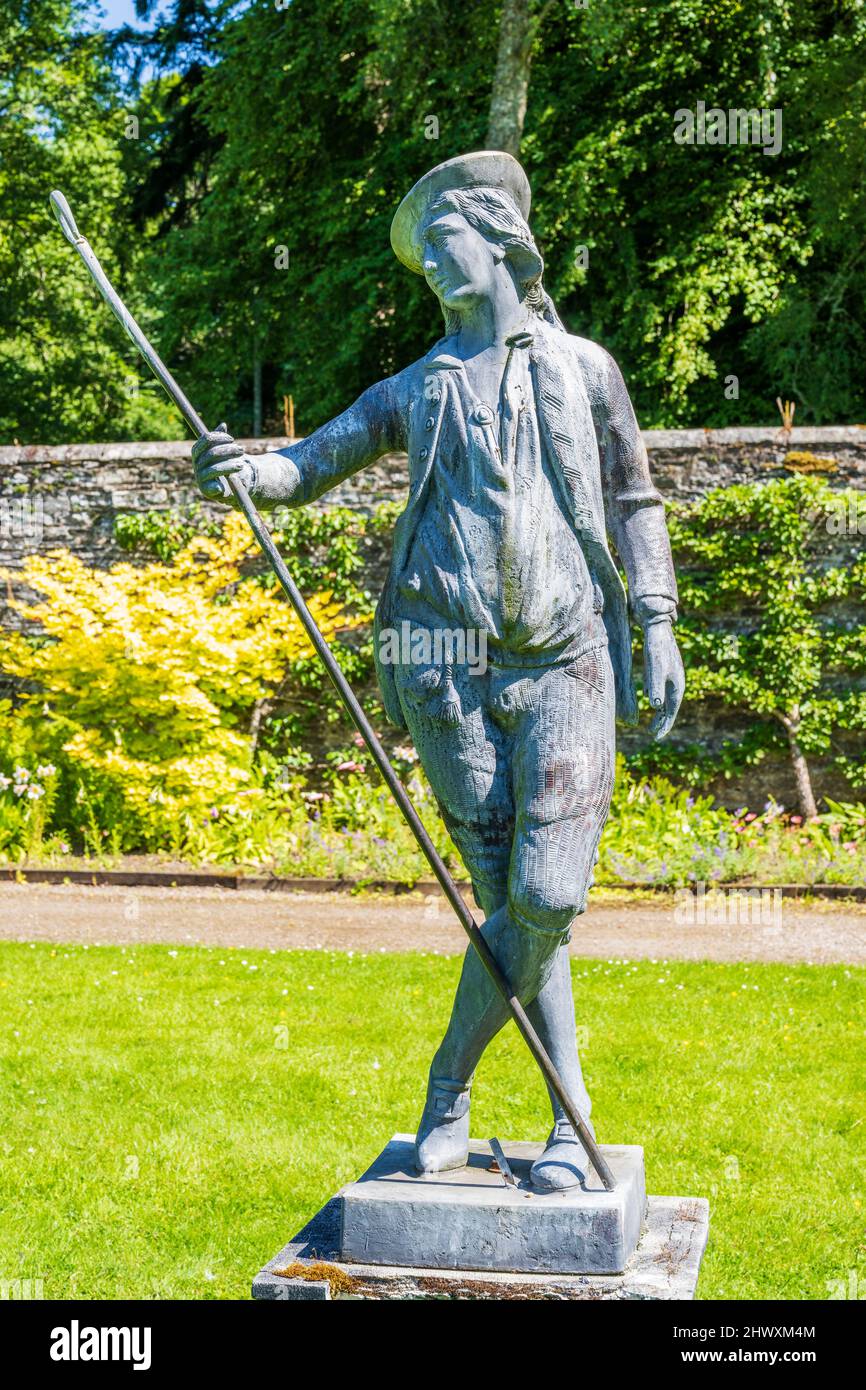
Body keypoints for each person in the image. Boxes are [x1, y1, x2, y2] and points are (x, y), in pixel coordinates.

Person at [193, 151, 684, 1190]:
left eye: (439, 241)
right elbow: (303, 465)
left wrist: (656, 618)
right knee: (506, 894)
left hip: (568, 658)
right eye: (416, 259)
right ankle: (564, 1124)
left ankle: (449, 1088)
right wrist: (245, 470)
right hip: (442, 665)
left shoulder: (583, 366)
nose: (428, 267)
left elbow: (636, 500)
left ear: (498, 232)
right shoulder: (413, 387)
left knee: (545, 894)